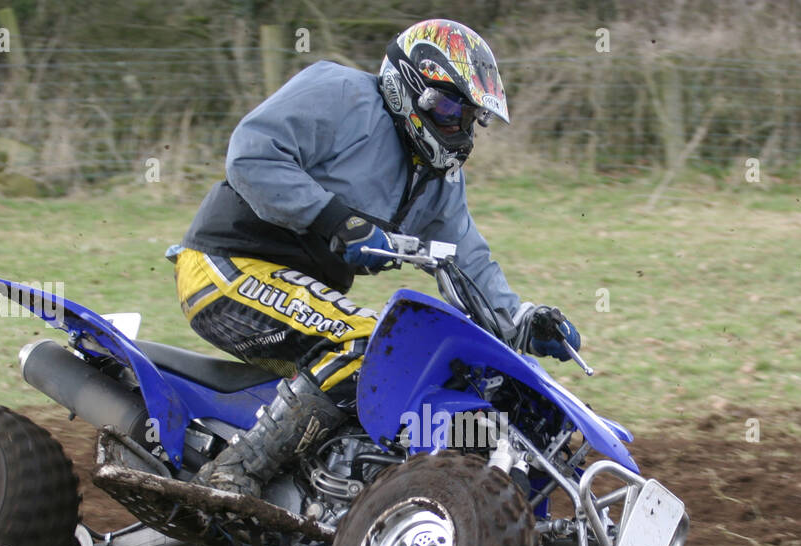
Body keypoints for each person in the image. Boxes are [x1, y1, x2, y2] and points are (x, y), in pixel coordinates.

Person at [169, 17, 581, 496]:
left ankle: (326, 499)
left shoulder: (437, 178)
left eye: (471, 116)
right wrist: (334, 218)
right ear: (407, 85)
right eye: (449, 105)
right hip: (226, 264)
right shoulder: (340, 93)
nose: (460, 125)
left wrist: (524, 320)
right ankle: (230, 475)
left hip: (302, 292)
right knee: (364, 343)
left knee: (398, 368)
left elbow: (466, 255)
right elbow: (252, 153)